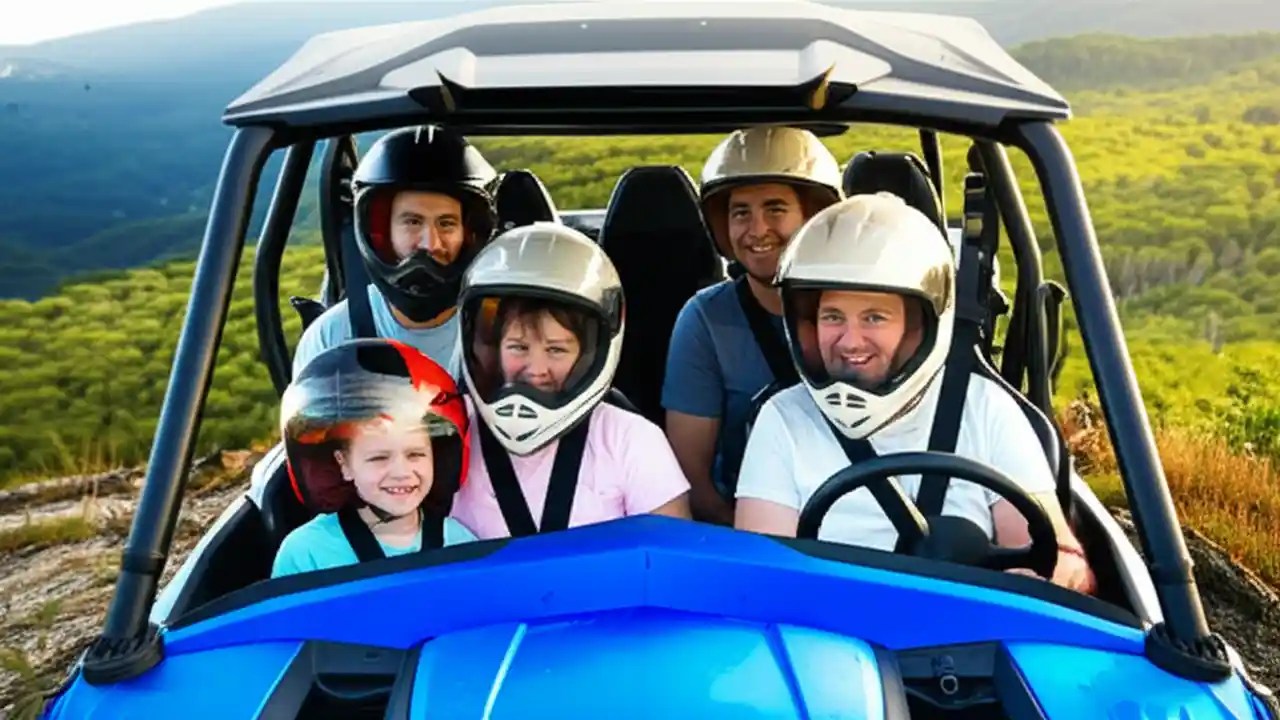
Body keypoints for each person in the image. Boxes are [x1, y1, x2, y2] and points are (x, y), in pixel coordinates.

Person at [733, 192, 1094, 594]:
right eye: (832, 317)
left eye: (874, 317)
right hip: (831, 642)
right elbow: (762, 578)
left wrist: (1048, 577)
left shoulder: (986, 408)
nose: (850, 341)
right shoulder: (782, 418)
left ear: (918, 328)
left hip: (971, 638)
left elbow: (1055, 554)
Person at [450, 223, 692, 540]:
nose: (536, 369)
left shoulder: (632, 440)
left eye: (556, 349)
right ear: (491, 349)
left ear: (588, 354)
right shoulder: (450, 434)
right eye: (518, 347)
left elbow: (668, 565)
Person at [661, 125, 843, 525]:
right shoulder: (705, 320)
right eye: (740, 212)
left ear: (814, 216)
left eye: (775, 209)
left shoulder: (861, 315)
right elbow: (689, 475)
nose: (757, 230)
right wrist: (751, 540)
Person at [292, 124, 499, 377]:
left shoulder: (503, 332)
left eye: (446, 223)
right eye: (412, 222)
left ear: (469, 234)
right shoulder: (332, 337)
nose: (430, 244)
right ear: (382, 233)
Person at [273, 338, 477, 577]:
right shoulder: (306, 553)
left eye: (415, 454)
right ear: (344, 464)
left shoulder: (459, 542)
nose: (401, 472)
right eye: (379, 458)